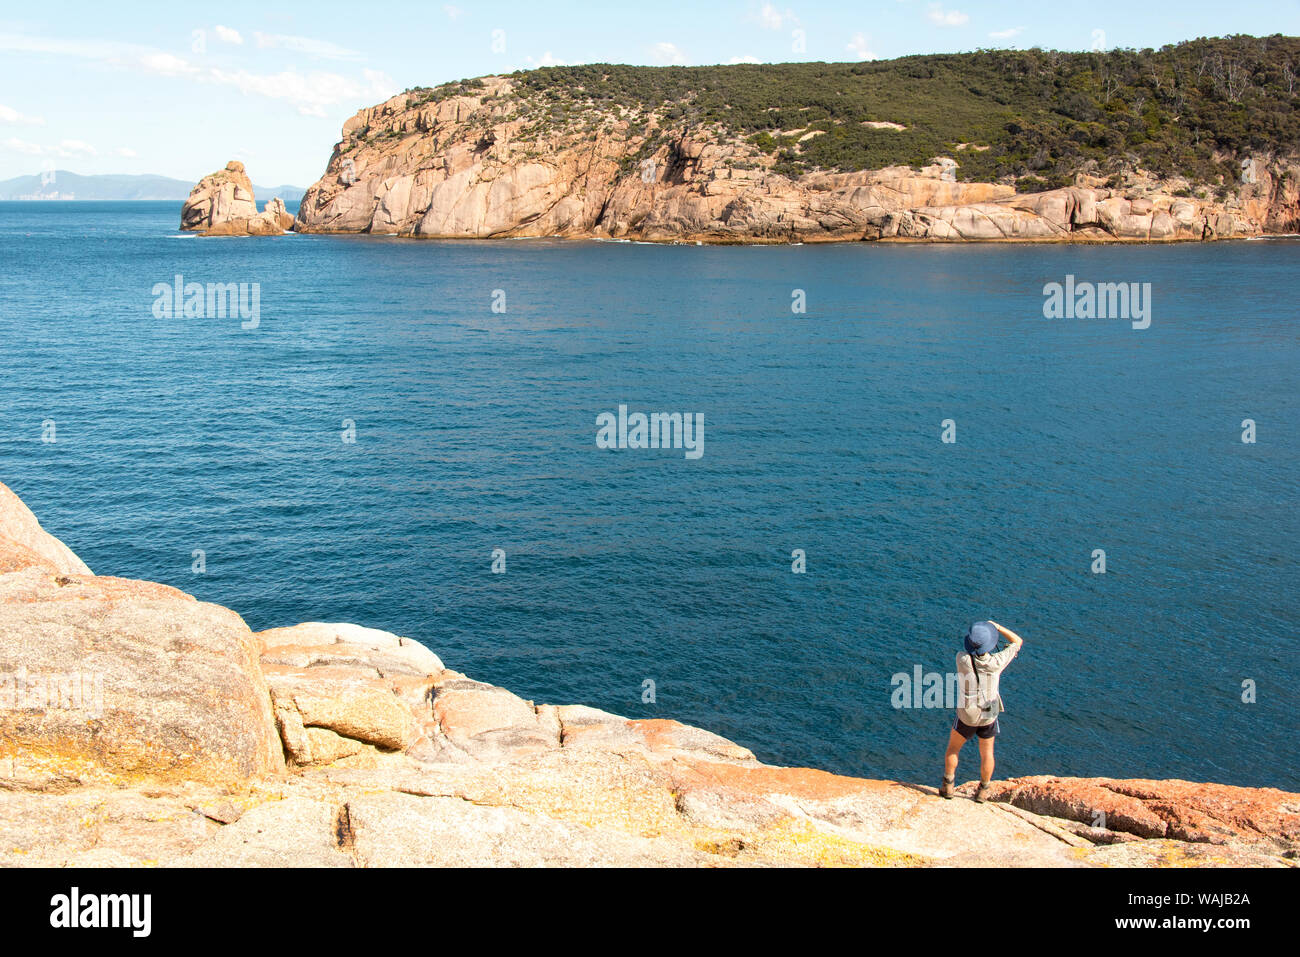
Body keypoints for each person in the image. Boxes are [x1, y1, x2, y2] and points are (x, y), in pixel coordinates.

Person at [938, 619, 1023, 802]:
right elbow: (1017, 641)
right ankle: (983, 790)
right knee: (987, 753)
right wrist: (998, 627)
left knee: (953, 749)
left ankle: (948, 786)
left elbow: (968, 652)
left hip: (967, 713)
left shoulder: (961, 658)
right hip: (989, 713)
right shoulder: (997, 662)